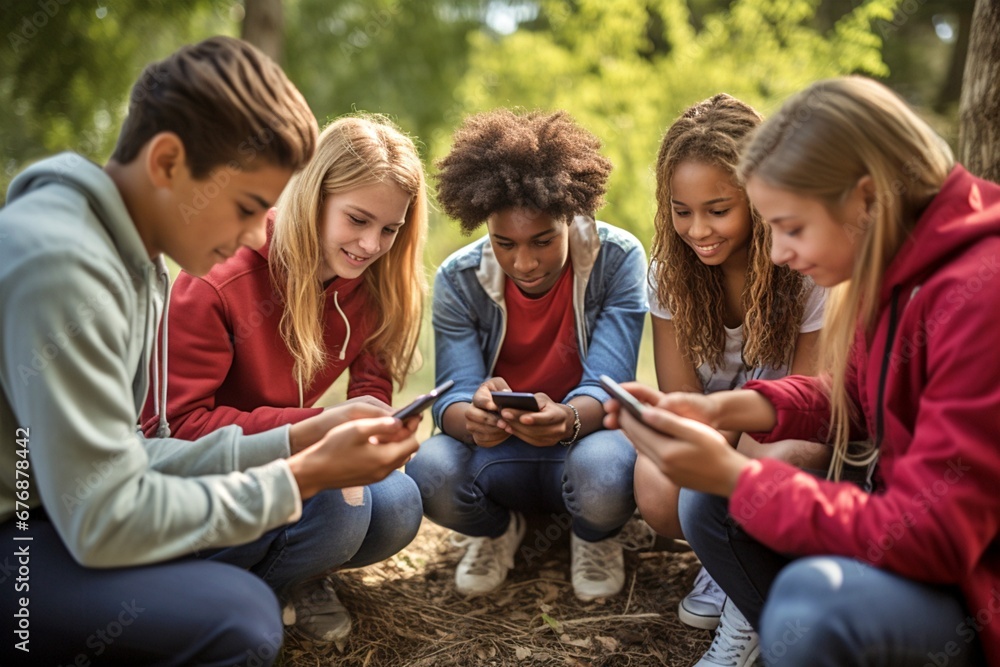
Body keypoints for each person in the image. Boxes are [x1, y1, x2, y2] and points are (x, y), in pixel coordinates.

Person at [0, 37, 420, 667]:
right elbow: (102, 516)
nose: (257, 233)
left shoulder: (135, 261)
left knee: (328, 538)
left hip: (58, 516)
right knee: (240, 621)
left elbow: (135, 453)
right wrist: (302, 473)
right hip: (29, 536)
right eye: (248, 207)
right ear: (168, 162)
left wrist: (303, 437)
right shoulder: (62, 267)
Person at [605, 76, 996, 666]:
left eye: (792, 227)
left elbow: (937, 536)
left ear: (864, 198)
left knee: (812, 608)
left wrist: (739, 477)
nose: (779, 252)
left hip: (969, 585)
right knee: (708, 505)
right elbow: (850, 396)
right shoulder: (893, 263)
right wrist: (726, 407)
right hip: (903, 537)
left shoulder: (980, 294)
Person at [138, 114, 429, 642]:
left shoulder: (373, 282)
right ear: (314, 196)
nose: (370, 244)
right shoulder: (220, 278)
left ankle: (300, 574)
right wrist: (316, 428)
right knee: (340, 510)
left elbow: (371, 383)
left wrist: (374, 425)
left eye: (390, 229)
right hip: (209, 471)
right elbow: (176, 426)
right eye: (357, 219)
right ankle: (245, 591)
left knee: (399, 503)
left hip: (294, 451)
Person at [405, 109, 647, 601]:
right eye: (504, 244)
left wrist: (567, 420)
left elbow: (609, 384)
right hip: (498, 452)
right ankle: (499, 530)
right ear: (485, 229)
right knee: (429, 470)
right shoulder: (458, 278)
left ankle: (594, 535)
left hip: (585, 445)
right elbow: (450, 397)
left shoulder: (618, 259)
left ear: (570, 218)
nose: (525, 262)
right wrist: (474, 417)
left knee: (605, 475)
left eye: (543, 240)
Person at [638, 94, 827, 638]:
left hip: (781, 431)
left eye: (718, 210)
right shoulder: (669, 276)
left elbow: (808, 396)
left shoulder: (805, 270)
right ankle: (721, 557)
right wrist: (700, 433)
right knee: (654, 484)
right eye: (682, 211)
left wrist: (728, 434)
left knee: (770, 457)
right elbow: (680, 394)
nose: (698, 230)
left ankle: (754, 561)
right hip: (716, 428)